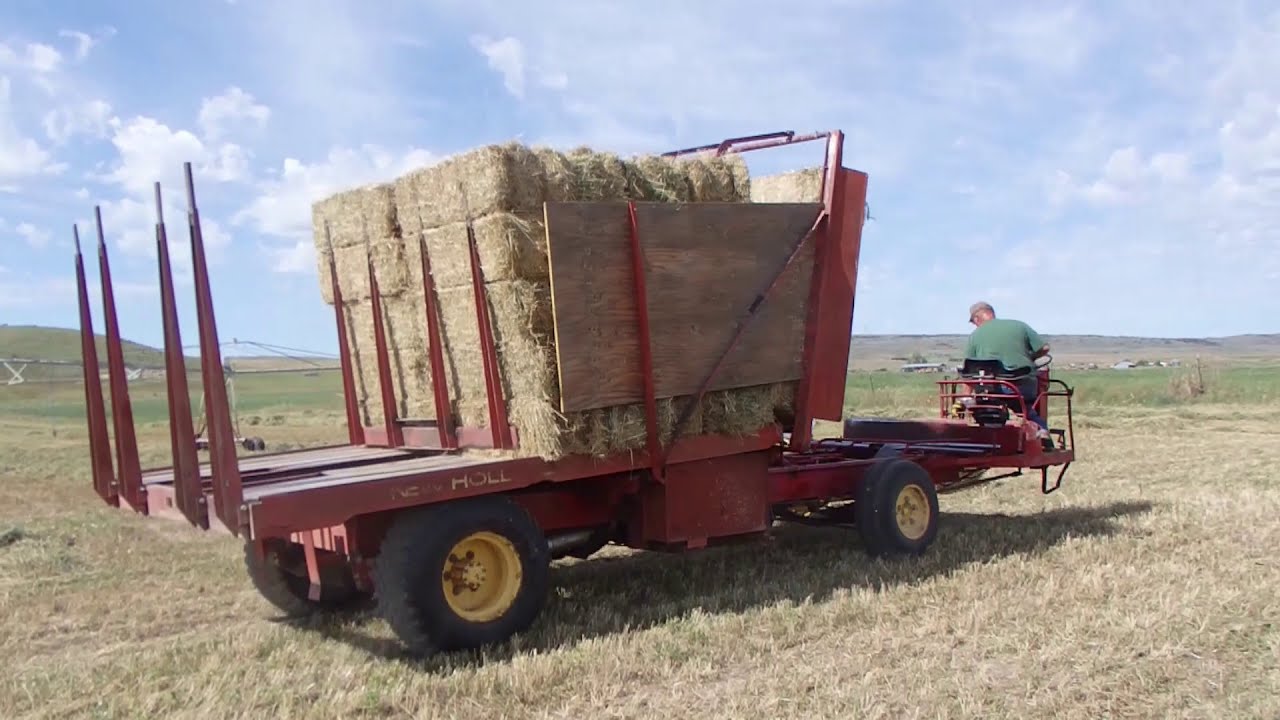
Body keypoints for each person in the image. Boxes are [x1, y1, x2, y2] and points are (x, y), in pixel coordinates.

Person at [964, 301, 1050, 436]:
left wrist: (966, 398)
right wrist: (1031, 357)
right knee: (1025, 408)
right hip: (1022, 384)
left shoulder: (975, 335)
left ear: (976, 319)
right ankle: (1040, 430)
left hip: (992, 388)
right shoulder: (1019, 325)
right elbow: (1044, 348)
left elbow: (969, 369)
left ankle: (992, 432)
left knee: (986, 403)